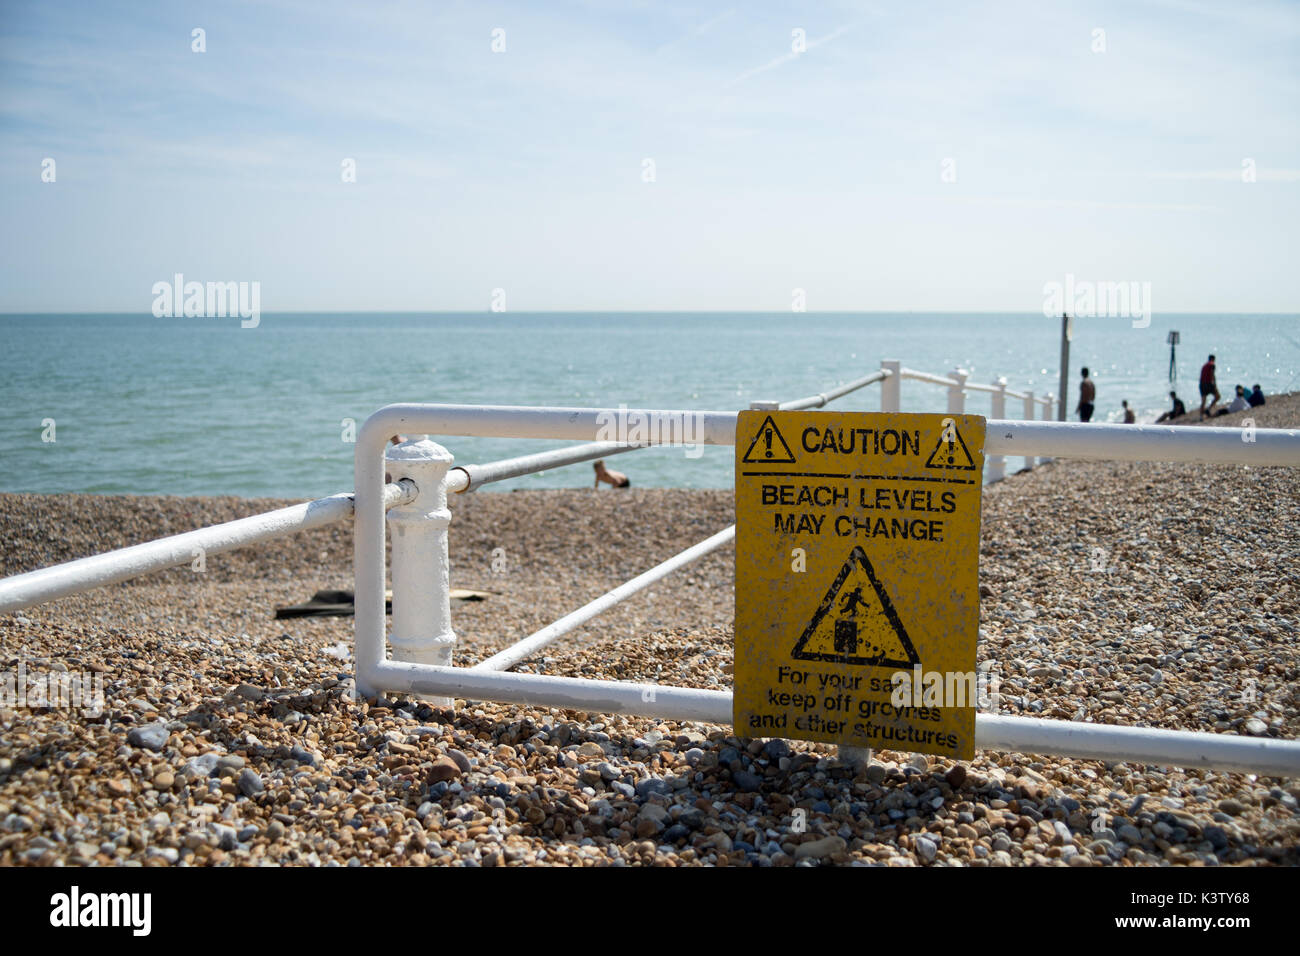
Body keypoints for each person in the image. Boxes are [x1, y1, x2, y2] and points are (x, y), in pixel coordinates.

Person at [1198, 354, 1220, 418]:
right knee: (1217, 396)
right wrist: (1214, 384)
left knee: (1203, 401)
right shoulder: (1212, 364)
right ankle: (1209, 409)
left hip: (1202, 384)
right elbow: (1212, 374)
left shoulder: (1204, 365)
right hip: (1208, 383)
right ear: (1214, 359)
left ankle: (1201, 416)